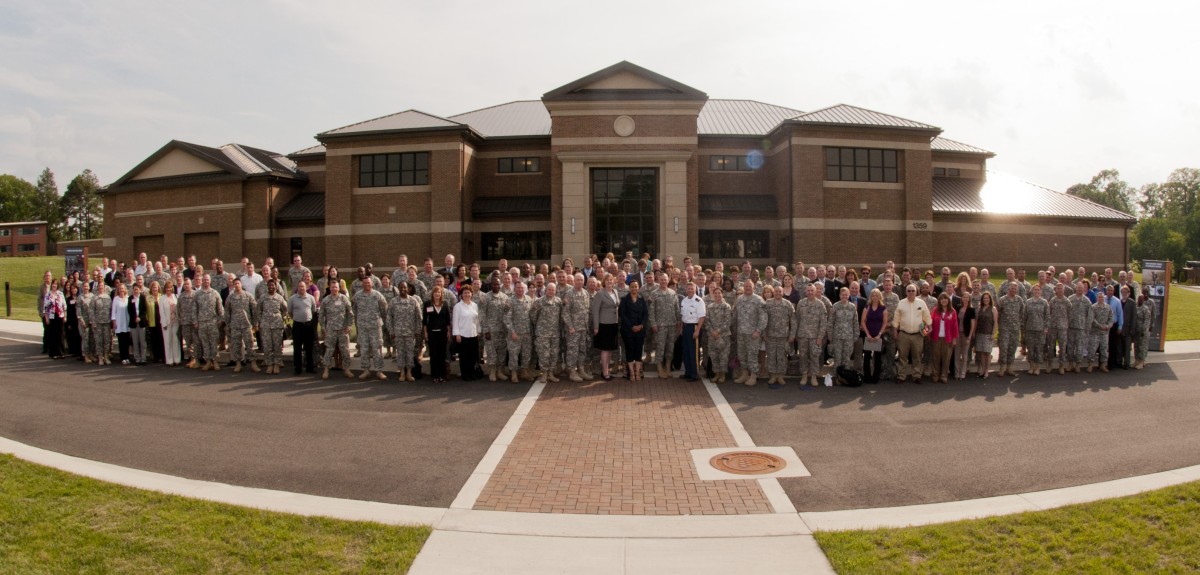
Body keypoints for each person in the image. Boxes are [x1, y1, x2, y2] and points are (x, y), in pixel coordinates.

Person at [892, 283, 932, 383]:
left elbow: (926, 315)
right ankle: (901, 376)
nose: (911, 292)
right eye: (909, 291)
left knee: (917, 357)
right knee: (902, 356)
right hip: (903, 334)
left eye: (913, 291)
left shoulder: (921, 303)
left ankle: (916, 376)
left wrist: (929, 326)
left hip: (917, 335)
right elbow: (896, 318)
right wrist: (895, 331)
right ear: (906, 292)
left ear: (916, 292)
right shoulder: (901, 303)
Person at [387, 281, 422, 382]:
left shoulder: (413, 301)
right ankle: (402, 372)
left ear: (408, 289)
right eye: (401, 287)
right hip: (398, 333)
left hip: (410, 333)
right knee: (400, 353)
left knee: (410, 353)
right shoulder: (393, 301)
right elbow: (389, 317)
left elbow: (418, 317)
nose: (403, 289)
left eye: (405, 287)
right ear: (398, 288)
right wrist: (391, 331)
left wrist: (417, 331)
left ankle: (409, 372)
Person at [320, 281, 355, 380]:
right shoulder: (326, 300)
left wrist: (349, 325)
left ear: (339, 288)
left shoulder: (344, 299)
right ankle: (326, 369)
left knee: (345, 350)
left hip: (342, 330)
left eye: (336, 287)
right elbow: (321, 315)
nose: (334, 289)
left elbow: (350, 314)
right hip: (330, 330)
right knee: (329, 350)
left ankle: (347, 369)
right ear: (329, 288)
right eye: (332, 287)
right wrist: (323, 328)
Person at [530, 283, 564, 383]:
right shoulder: (539, 302)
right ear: (546, 290)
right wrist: (540, 326)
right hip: (542, 333)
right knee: (544, 354)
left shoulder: (558, 301)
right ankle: (544, 373)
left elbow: (560, 317)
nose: (551, 291)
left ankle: (550, 373)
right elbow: (533, 316)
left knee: (554, 354)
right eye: (549, 289)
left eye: (553, 290)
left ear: (555, 291)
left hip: (555, 333)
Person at [648, 274, 679, 378]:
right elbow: (651, 311)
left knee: (670, 347)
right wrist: (653, 324)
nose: (663, 281)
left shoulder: (673, 293)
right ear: (658, 280)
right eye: (661, 280)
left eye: (665, 279)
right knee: (660, 348)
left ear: (668, 280)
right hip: (660, 326)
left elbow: (677, 310)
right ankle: (659, 368)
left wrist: (678, 322)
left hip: (672, 325)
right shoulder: (654, 294)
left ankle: (668, 367)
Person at [590, 275, 621, 381]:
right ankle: (605, 372)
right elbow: (595, 311)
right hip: (604, 325)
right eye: (607, 280)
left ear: (613, 282)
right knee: (605, 350)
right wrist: (596, 327)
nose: (609, 282)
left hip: (613, 324)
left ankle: (607, 370)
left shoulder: (615, 292)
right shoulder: (600, 293)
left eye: (611, 280)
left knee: (610, 350)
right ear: (604, 282)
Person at [225, 278, 258, 373]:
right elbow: (227, 312)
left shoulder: (248, 296)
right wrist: (228, 325)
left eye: (238, 283)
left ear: (241, 284)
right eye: (235, 283)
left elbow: (254, 310)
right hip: (235, 325)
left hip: (246, 325)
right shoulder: (230, 298)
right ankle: (238, 364)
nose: (237, 285)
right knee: (236, 345)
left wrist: (255, 324)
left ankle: (253, 363)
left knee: (250, 345)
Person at [563, 274, 593, 382]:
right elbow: (565, 313)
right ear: (574, 281)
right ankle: (572, 371)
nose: (580, 282)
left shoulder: (585, 293)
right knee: (572, 351)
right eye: (578, 280)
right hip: (573, 329)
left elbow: (587, 311)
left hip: (583, 329)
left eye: (582, 280)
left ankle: (581, 369)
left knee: (582, 350)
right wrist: (570, 327)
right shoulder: (569, 294)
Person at [762, 286, 792, 388]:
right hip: (770, 335)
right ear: (773, 292)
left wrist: (792, 335)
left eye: (780, 291)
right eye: (776, 291)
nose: (778, 293)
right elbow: (763, 319)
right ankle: (773, 375)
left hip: (783, 335)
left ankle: (780, 375)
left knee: (781, 356)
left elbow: (793, 320)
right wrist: (763, 333)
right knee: (771, 356)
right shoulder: (768, 303)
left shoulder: (787, 304)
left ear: (783, 293)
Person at [255, 279, 288, 374]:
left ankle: (277, 363)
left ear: (276, 286)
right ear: (267, 286)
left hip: (277, 325)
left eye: (273, 285)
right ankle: (269, 364)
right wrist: (260, 321)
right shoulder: (263, 298)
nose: (271, 287)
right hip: (265, 325)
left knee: (277, 345)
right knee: (267, 346)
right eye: (269, 285)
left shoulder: (280, 298)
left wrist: (282, 317)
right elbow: (258, 311)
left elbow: (285, 309)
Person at [619, 280, 649, 381]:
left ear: (638, 287)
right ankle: (631, 372)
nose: (634, 288)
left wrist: (641, 325)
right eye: (632, 287)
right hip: (628, 330)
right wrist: (632, 326)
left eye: (636, 286)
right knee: (629, 351)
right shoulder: (624, 299)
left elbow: (645, 314)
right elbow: (622, 315)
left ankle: (638, 372)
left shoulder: (642, 299)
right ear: (629, 288)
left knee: (638, 352)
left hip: (640, 330)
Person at [288, 280, 318, 376]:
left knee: (309, 347)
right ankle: (298, 368)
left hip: (308, 326)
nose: (301, 288)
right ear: (297, 288)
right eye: (300, 286)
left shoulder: (311, 298)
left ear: (306, 288)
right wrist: (298, 318)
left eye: (303, 286)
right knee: (297, 348)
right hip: (297, 325)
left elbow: (313, 311)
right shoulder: (292, 299)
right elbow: (290, 312)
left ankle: (310, 367)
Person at [995, 283, 1025, 377]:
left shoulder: (1019, 300)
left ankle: (1009, 367)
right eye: (1012, 288)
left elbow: (1021, 313)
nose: (1013, 290)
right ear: (1008, 289)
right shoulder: (1002, 300)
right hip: (1004, 328)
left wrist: (1017, 323)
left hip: (1015, 329)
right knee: (1003, 348)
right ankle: (1002, 368)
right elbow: (998, 312)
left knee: (1013, 348)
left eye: (1015, 289)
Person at [424, 286, 452, 383]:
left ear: (441, 294)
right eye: (435, 292)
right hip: (432, 333)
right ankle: (435, 375)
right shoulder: (428, 304)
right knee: (434, 354)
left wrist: (448, 331)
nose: (437, 294)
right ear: (432, 294)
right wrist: (425, 332)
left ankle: (442, 375)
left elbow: (448, 319)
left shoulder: (445, 304)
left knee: (442, 354)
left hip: (442, 333)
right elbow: (424, 320)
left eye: (439, 292)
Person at [679, 281, 707, 383]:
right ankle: (688, 372)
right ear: (686, 289)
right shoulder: (684, 300)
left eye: (692, 288)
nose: (690, 290)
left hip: (694, 327)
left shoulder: (699, 301)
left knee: (693, 352)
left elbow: (702, 317)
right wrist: (681, 328)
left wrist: (698, 330)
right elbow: (683, 316)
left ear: (695, 289)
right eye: (688, 288)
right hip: (686, 327)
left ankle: (695, 374)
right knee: (686, 351)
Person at [929, 292, 959, 383]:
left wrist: (954, 339)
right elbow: (931, 323)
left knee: (946, 358)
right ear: (939, 301)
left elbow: (955, 326)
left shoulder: (952, 311)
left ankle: (944, 375)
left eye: (945, 298)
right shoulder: (935, 310)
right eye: (942, 299)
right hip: (936, 338)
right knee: (936, 357)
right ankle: (935, 374)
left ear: (948, 300)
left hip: (948, 339)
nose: (944, 300)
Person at [860, 289, 889, 384]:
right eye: (873, 295)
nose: (875, 297)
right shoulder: (867, 307)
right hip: (868, 335)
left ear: (880, 297)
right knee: (867, 357)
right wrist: (867, 334)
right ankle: (867, 377)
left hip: (878, 336)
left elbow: (885, 323)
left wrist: (879, 335)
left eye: (877, 295)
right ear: (871, 297)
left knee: (878, 358)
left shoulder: (883, 308)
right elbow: (863, 321)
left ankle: (875, 377)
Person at [1022, 284, 1050, 375]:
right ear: (1032, 291)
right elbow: (1024, 316)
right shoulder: (1028, 302)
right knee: (1030, 349)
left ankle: (1037, 368)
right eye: (1035, 290)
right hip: (1030, 329)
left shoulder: (1044, 302)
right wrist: (1024, 329)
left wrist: (1046, 328)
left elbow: (1047, 316)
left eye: (1038, 290)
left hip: (1040, 330)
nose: (1037, 291)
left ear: (1041, 292)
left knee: (1038, 349)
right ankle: (1031, 367)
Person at [1066, 282, 1093, 374]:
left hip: (1081, 328)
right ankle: (1070, 364)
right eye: (1078, 288)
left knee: (1079, 348)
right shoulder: (1070, 299)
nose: (1080, 289)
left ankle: (1077, 365)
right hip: (1071, 327)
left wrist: (1087, 328)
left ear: (1084, 289)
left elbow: (1089, 316)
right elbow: (1066, 312)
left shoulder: (1087, 301)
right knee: (1070, 347)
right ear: (1075, 289)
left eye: (1081, 288)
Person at [1088, 290, 1114, 373]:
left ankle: (1103, 365)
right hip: (1095, 332)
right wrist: (1100, 326)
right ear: (1097, 298)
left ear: (1104, 298)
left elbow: (1111, 319)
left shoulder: (1108, 307)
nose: (1101, 298)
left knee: (1104, 350)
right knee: (1092, 349)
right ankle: (1090, 365)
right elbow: (1092, 319)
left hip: (1104, 333)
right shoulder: (1093, 307)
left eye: (1102, 297)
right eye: (1099, 297)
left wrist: (1107, 326)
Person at [974, 291, 998, 378]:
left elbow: (995, 322)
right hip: (979, 333)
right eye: (984, 298)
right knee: (981, 353)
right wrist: (974, 332)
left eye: (987, 298)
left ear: (990, 299)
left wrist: (993, 333)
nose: (986, 300)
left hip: (988, 334)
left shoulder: (993, 309)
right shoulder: (979, 308)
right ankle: (983, 370)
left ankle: (987, 371)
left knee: (987, 353)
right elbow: (976, 321)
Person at [43, 278, 66, 359]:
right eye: (53, 284)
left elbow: (64, 306)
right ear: (51, 285)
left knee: (60, 334)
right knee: (53, 335)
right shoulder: (48, 295)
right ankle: (53, 353)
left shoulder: (60, 294)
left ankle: (61, 352)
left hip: (60, 316)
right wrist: (46, 318)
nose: (54, 285)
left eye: (56, 284)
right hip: (51, 316)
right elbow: (45, 308)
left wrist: (65, 316)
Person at [159, 280, 181, 366]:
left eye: (170, 287)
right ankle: (169, 360)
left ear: (172, 288)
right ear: (165, 289)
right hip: (166, 323)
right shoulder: (162, 298)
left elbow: (178, 309)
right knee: (167, 341)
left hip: (175, 322)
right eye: (167, 288)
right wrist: (164, 324)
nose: (168, 289)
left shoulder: (176, 296)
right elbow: (161, 312)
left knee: (175, 341)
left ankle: (177, 359)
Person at [111, 283, 132, 365]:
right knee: (121, 341)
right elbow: (113, 312)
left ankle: (127, 357)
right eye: (120, 289)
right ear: (118, 290)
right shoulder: (116, 299)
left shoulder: (128, 298)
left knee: (127, 341)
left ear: (125, 289)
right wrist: (114, 323)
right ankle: (123, 357)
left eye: (123, 288)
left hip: (127, 323)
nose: (121, 290)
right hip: (119, 323)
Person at [128, 284, 149, 366]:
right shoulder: (130, 298)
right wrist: (135, 318)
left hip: (142, 322)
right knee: (135, 342)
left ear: (139, 290)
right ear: (133, 290)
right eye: (134, 289)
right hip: (133, 323)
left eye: (137, 289)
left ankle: (143, 359)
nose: (136, 291)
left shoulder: (143, 298)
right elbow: (129, 310)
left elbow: (144, 310)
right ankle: (137, 358)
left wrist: (140, 318)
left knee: (143, 342)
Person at [1133, 294, 1154, 370]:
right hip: (1136, 331)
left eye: (1141, 299)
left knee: (1142, 347)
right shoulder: (1135, 307)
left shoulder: (1145, 309)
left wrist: (1143, 330)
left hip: (1142, 332)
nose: (1140, 300)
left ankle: (1141, 362)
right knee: (1136, 346)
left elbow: (1147, 321)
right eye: (1139, 299)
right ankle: (1136, 360)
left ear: (1143, 300)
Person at [64, 283, 82, 358]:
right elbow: (67, 311)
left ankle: (80, 351)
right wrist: (68, 323)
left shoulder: (80, 298)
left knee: (79, 336)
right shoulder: (68, 299)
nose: (73, 290)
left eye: (75, 288)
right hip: (72, 320)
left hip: (79, 320)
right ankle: (74, 351)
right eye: (72, 289)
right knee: (73, 336)